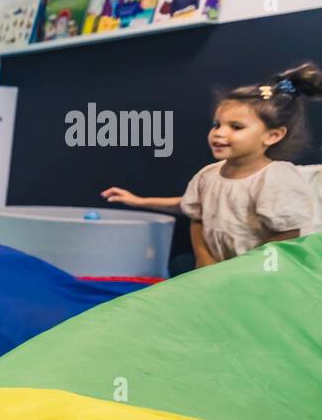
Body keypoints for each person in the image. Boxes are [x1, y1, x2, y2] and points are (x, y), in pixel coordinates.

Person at [102, 63, 320, 269]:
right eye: (217, 124)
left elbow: (288, 234)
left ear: (273, 135)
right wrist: (204, 258)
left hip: (264, 272)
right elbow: (197, 211)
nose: (219, 133)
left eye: (236, 127)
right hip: (219, 270)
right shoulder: (208, 175)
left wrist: (245, 270)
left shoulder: (276, 178)